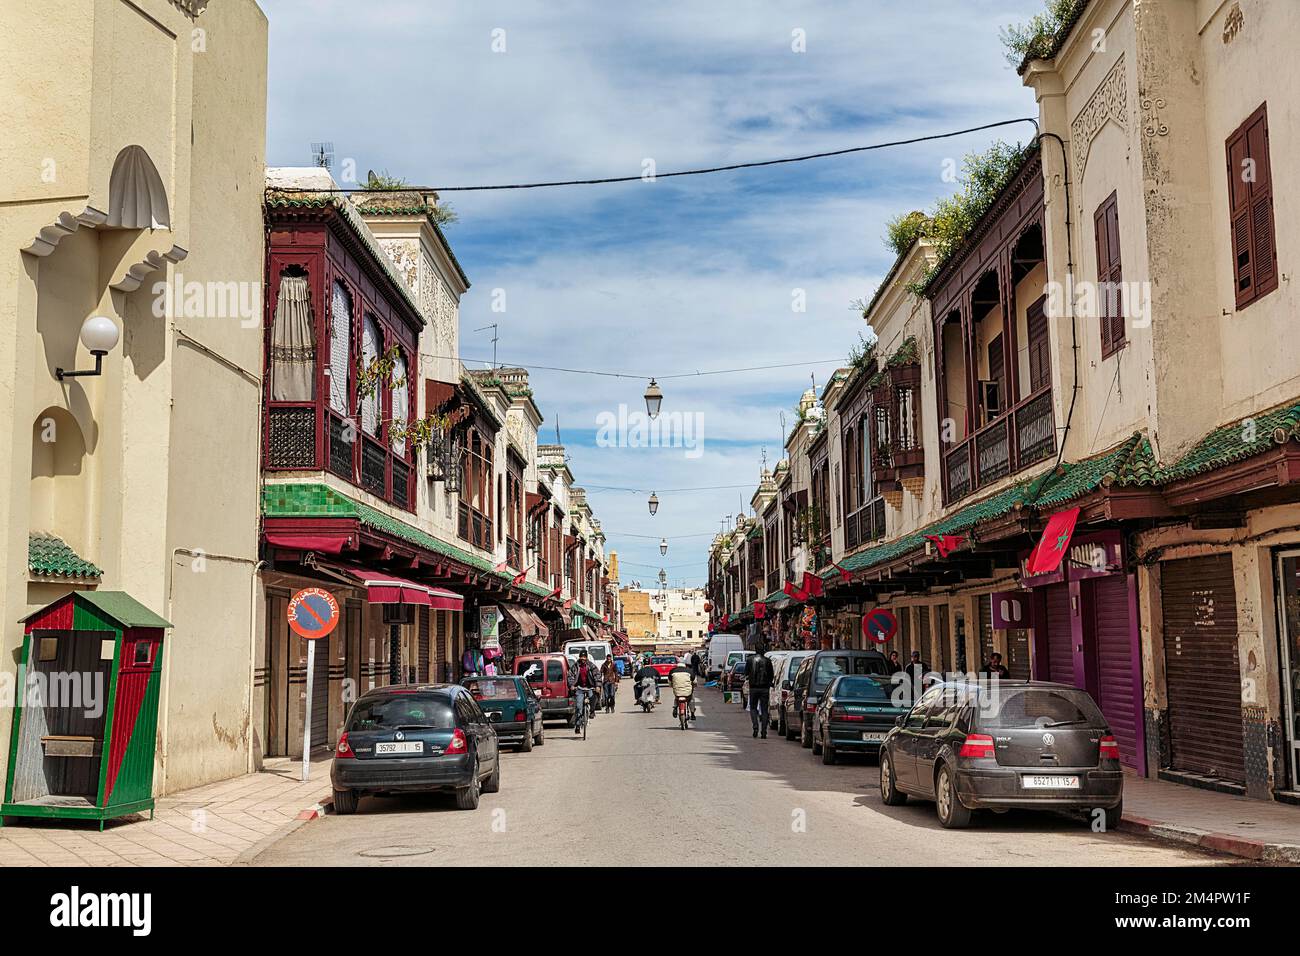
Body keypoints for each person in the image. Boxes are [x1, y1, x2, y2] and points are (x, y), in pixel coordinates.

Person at [568, 650, 601, 733]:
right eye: (581, 657)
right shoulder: (575, 666)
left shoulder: (591, 666)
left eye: (584, 657)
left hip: (590, 687)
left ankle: (592, 711)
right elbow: (570, 676)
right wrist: (572, 685)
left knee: (593, 697)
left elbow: (597, 675)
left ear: (586, 658)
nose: (583, 659)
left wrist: (597, 686)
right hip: (579, 688)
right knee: (579, 707)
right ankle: (578, 725)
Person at [747, 646, 774, 739]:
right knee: (764, 710)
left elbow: (746, 672)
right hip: (764, 688)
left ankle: (755, 727)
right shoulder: (767, 661)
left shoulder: (750, 660)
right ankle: (764, 731)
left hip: (753, 688)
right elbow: (771, 675)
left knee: (753, 708)